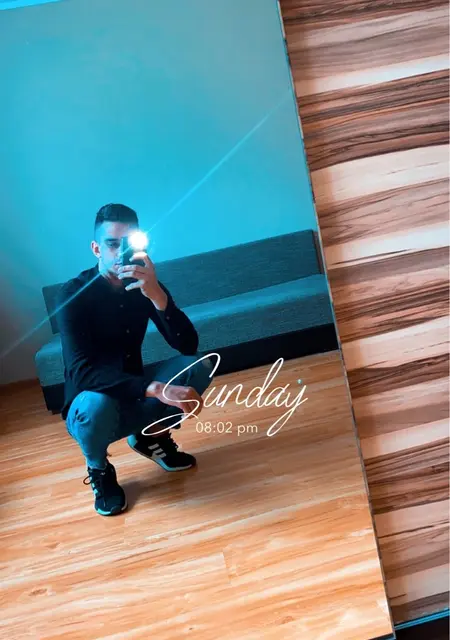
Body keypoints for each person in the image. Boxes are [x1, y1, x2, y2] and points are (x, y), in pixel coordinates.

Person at [56, 203, 214, 516]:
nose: (121, 253)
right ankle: (99, 469)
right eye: (112, 244)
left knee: (199, 366)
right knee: (96, 403)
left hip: (134, 391)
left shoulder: (144, 282)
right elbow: (82, 373)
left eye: (128, 243)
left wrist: (156, 295)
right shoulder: (73, 294)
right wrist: (156, 389)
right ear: (96, 249)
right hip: (90, 405)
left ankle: (150, 437)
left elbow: (188, 345)